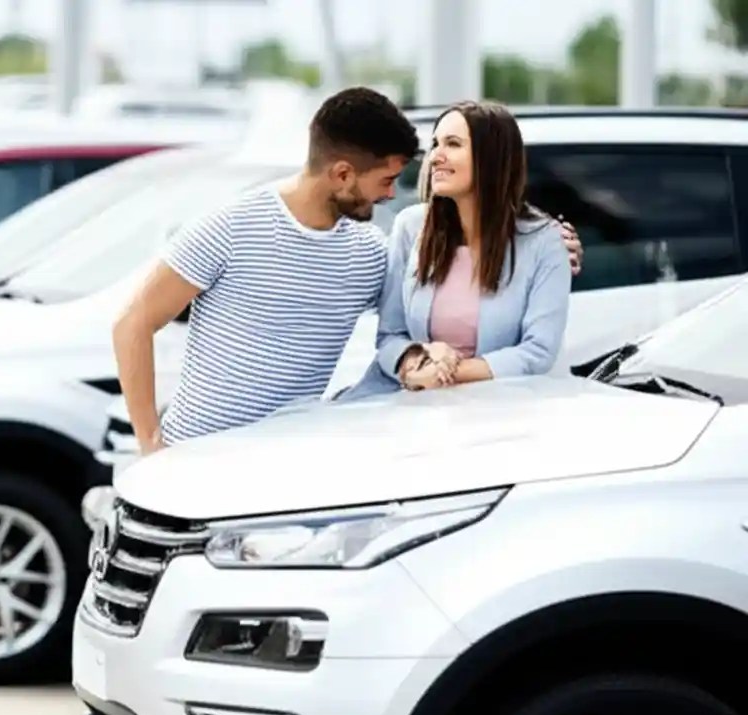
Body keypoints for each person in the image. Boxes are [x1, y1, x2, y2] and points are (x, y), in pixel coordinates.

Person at [112, 88, 581, 456]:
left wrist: (557, 254)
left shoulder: (368, 253)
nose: (390, 193)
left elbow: (421, 322)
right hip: (197, 452)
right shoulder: (231, 226)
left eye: (450, 144)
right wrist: (150, 443)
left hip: (292, 454)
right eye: (384, 181)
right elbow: (132, 322)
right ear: (341, 175)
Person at [339, 100, 572, 400]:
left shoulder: (544, 242)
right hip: (402, 400)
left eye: (453, 144)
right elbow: (389, 336)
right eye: (436, 144)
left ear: (491, 158)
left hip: (499, 406)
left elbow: (538, 351)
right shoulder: (411, 227)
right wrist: (414, 365)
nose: (436, 156)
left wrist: (446, 372)